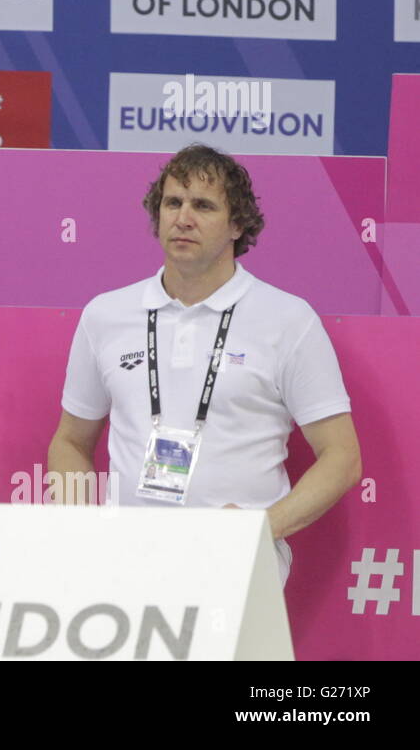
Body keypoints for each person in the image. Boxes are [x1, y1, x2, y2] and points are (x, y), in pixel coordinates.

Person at [46, 144, 361, 585]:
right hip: (126, 565)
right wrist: (84, 530)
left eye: (203, 205)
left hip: (237, 566)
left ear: (237, 224)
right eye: (172, 202)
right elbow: (70, 442)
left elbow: (342, 458)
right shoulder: (105, 315)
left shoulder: (288, 319)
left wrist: (260, 529)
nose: (183, 217)